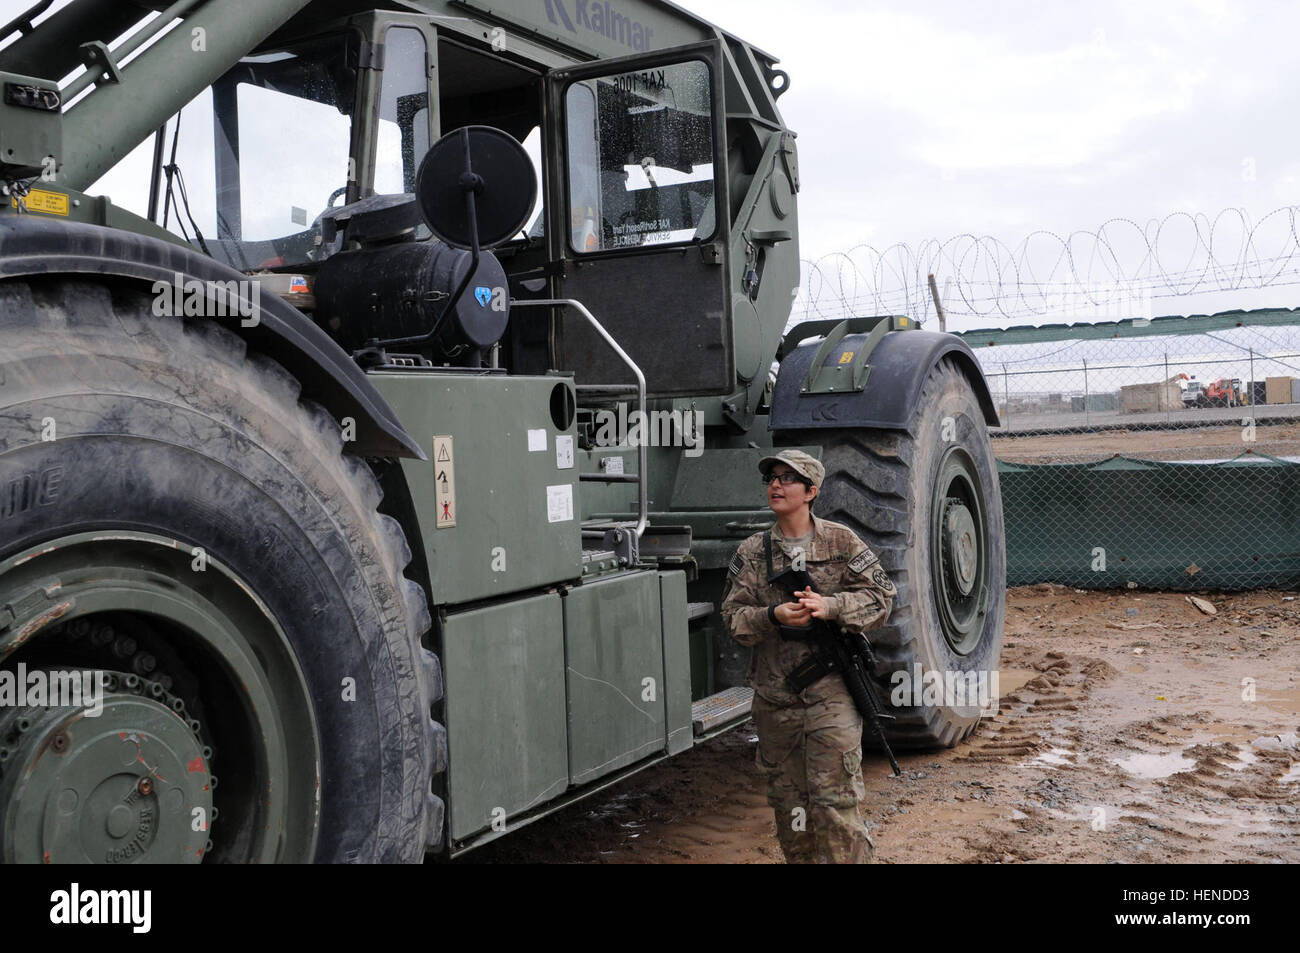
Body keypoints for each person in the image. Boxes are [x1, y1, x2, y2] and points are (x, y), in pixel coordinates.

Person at [720, 449, 896, 864]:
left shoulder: (841, 542)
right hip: (776, 699)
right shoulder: (753, 552)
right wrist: (772, 615)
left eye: (787, 479)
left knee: (834, 804)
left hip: (831, 693)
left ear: (811, 491)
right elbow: (732, 619)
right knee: (791, 809)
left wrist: (830, 608)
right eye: (772, 478)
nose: (776, 485)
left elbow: (881, 599)